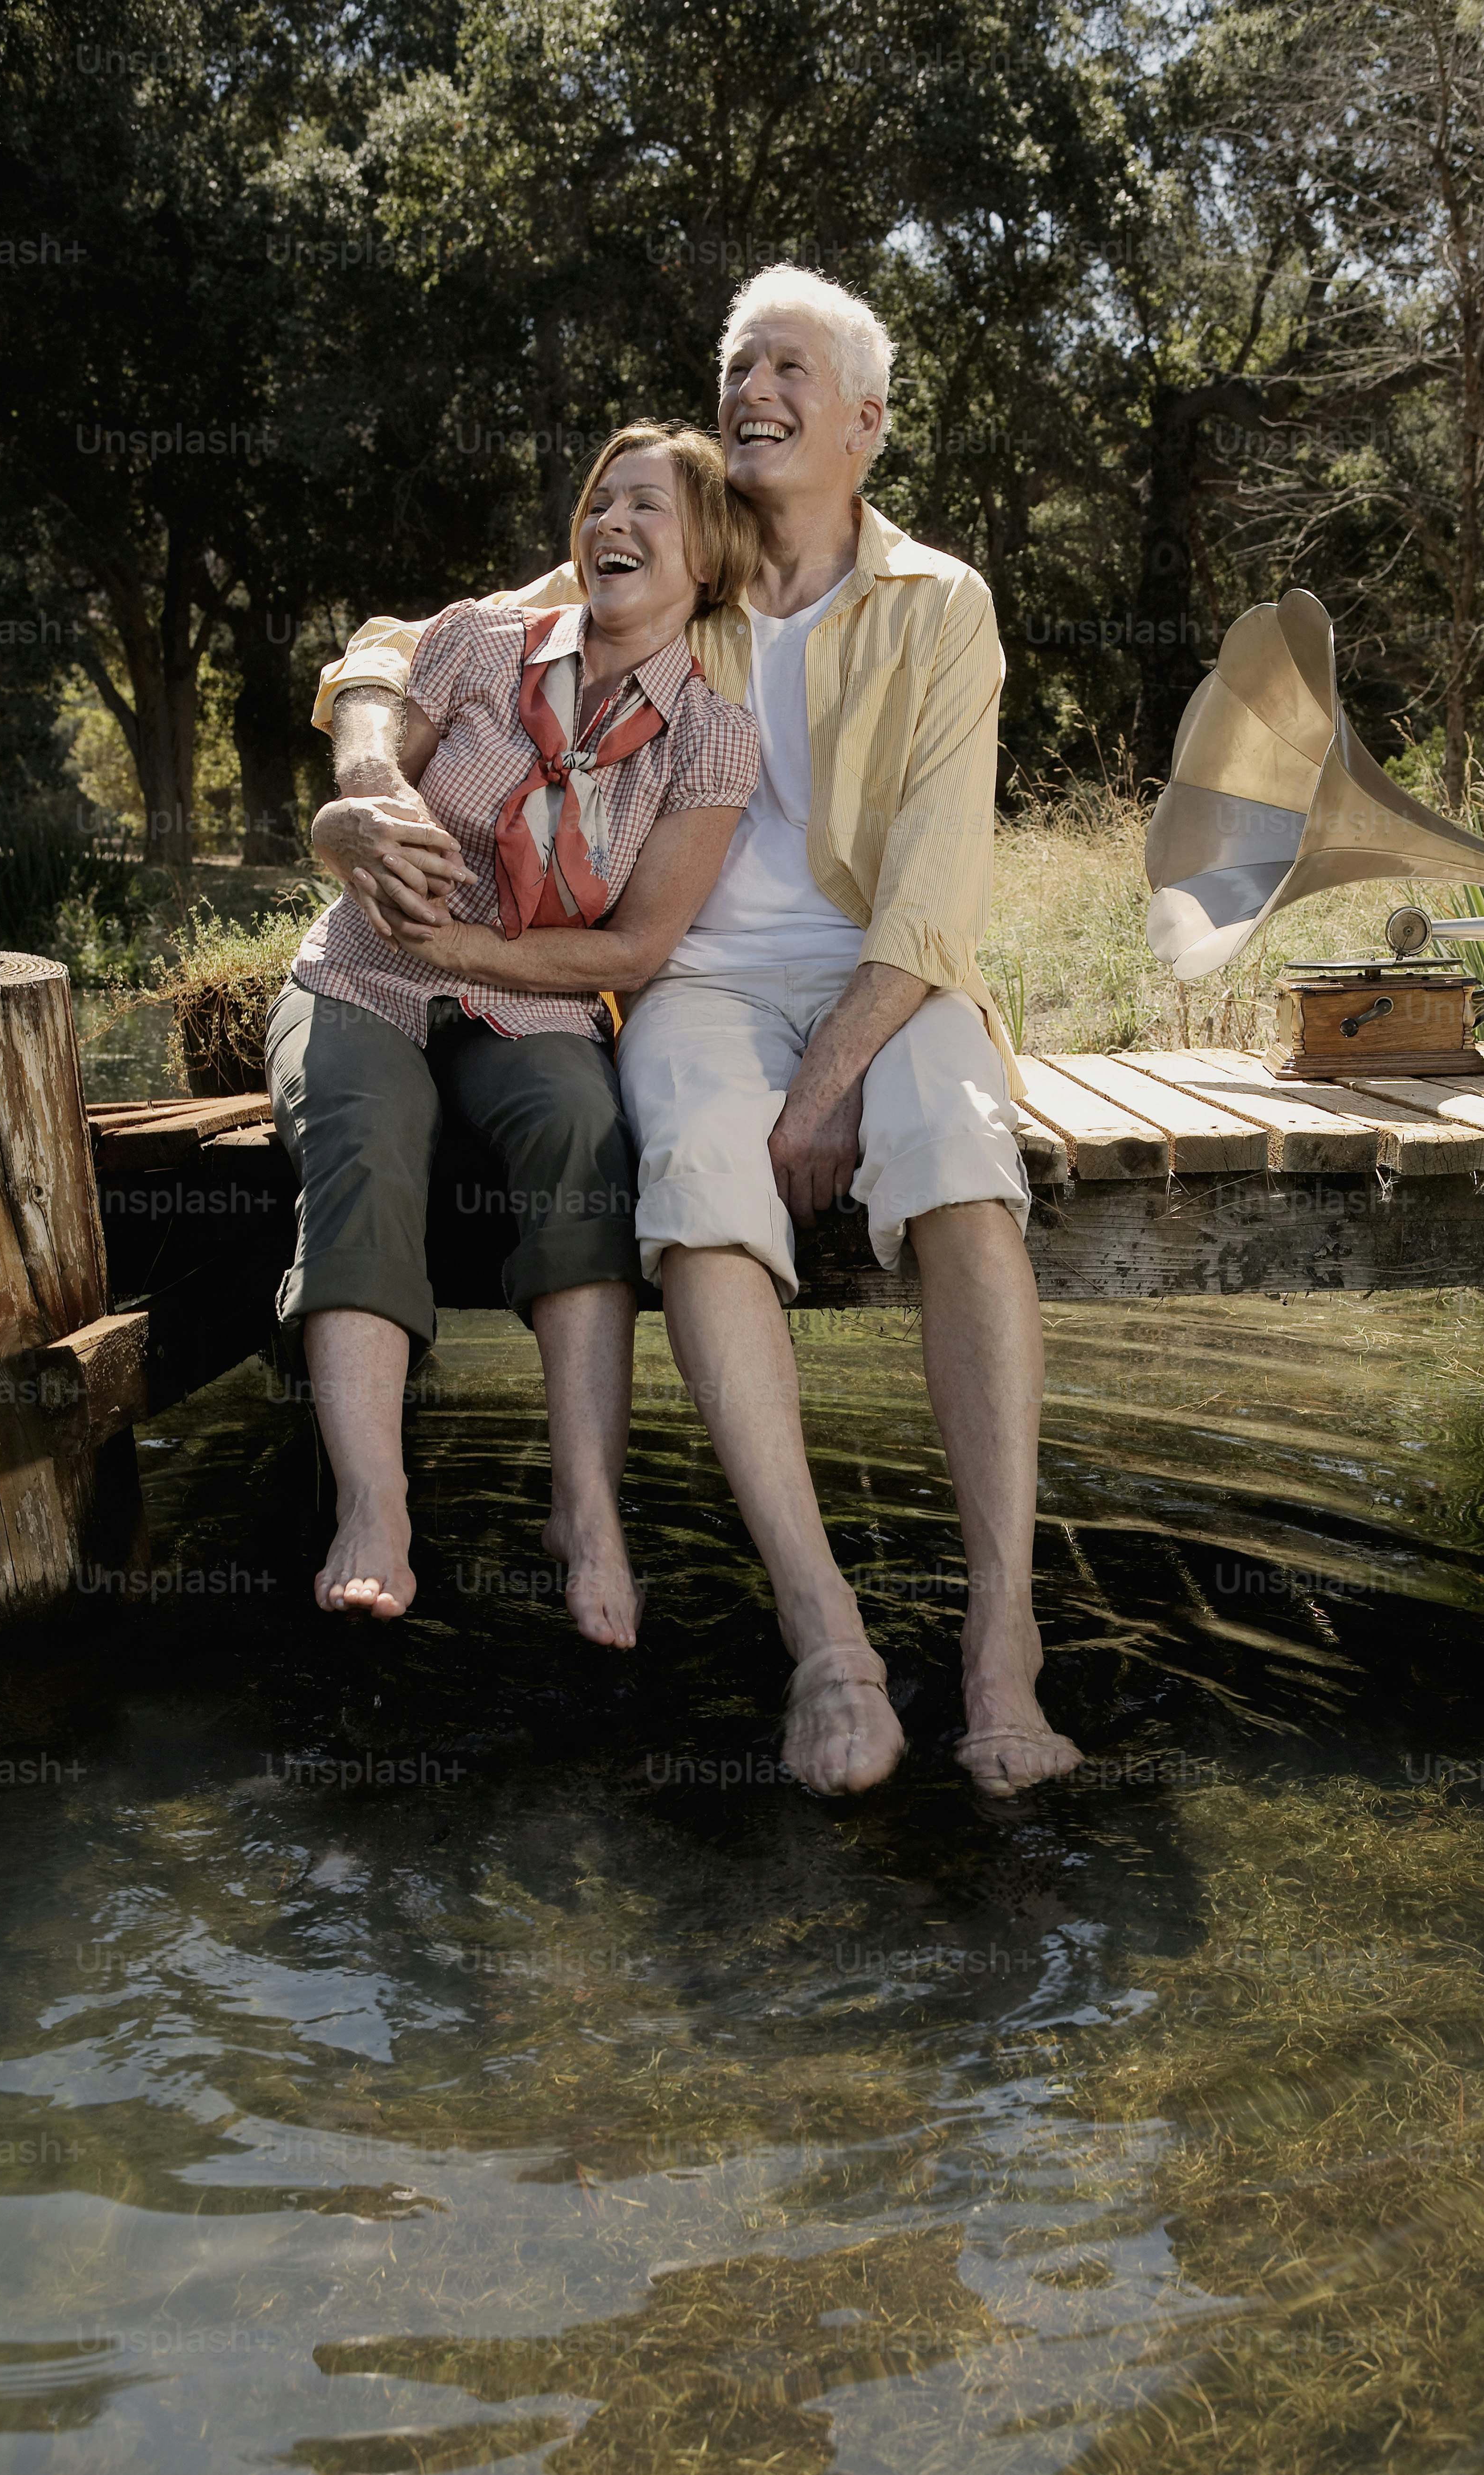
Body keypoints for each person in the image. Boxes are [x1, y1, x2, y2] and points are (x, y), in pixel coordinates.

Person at [310, 266, 1084, 1804]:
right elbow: (407, 641)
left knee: (963, 1171)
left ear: (864, 419)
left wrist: (835, 1083)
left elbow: (932, 902)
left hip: (889, 979)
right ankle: (827, 1642)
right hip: (690, 987)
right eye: (737, 366)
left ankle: (1004, 1643)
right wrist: (359, 771)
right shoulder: (676, 561)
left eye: (789, 368)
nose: (753, 391)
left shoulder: (943, 605)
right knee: (703, 1203)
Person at [272, 424, 759, 1643]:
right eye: (603, 500)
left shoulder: (713, 737)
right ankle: (374, 1508)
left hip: (531, 987)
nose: (614, 524)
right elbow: (362, 785)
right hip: (369, 968)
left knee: (584, 1131)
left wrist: (473, 955)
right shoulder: (480, 644)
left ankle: (585, 1510)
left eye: (651, 507)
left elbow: (635, 950)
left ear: (709, 558)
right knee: (368, 1135)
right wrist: (353, 818)